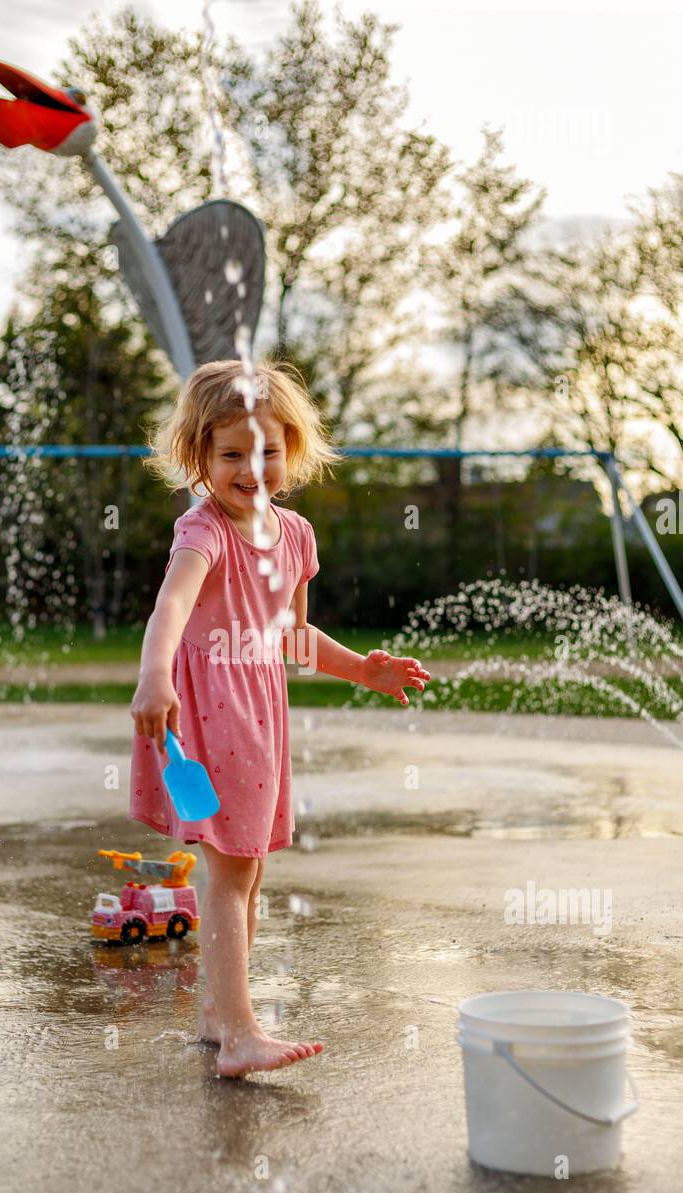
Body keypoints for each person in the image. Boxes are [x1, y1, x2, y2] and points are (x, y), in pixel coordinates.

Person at [129, 358, 430, 1077]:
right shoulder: (203, 530)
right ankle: (239, 1031)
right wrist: (153, 676)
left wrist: (363, 668)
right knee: (230, 876)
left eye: (267, 450)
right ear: (200, 457)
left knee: (249, 874)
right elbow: (170, 606)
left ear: (291, 449)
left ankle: (217, 1014)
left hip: (260, 715)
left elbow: (291, 637)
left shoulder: (295, 534)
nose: (251, 467)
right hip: (207, 715)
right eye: (231, 453)